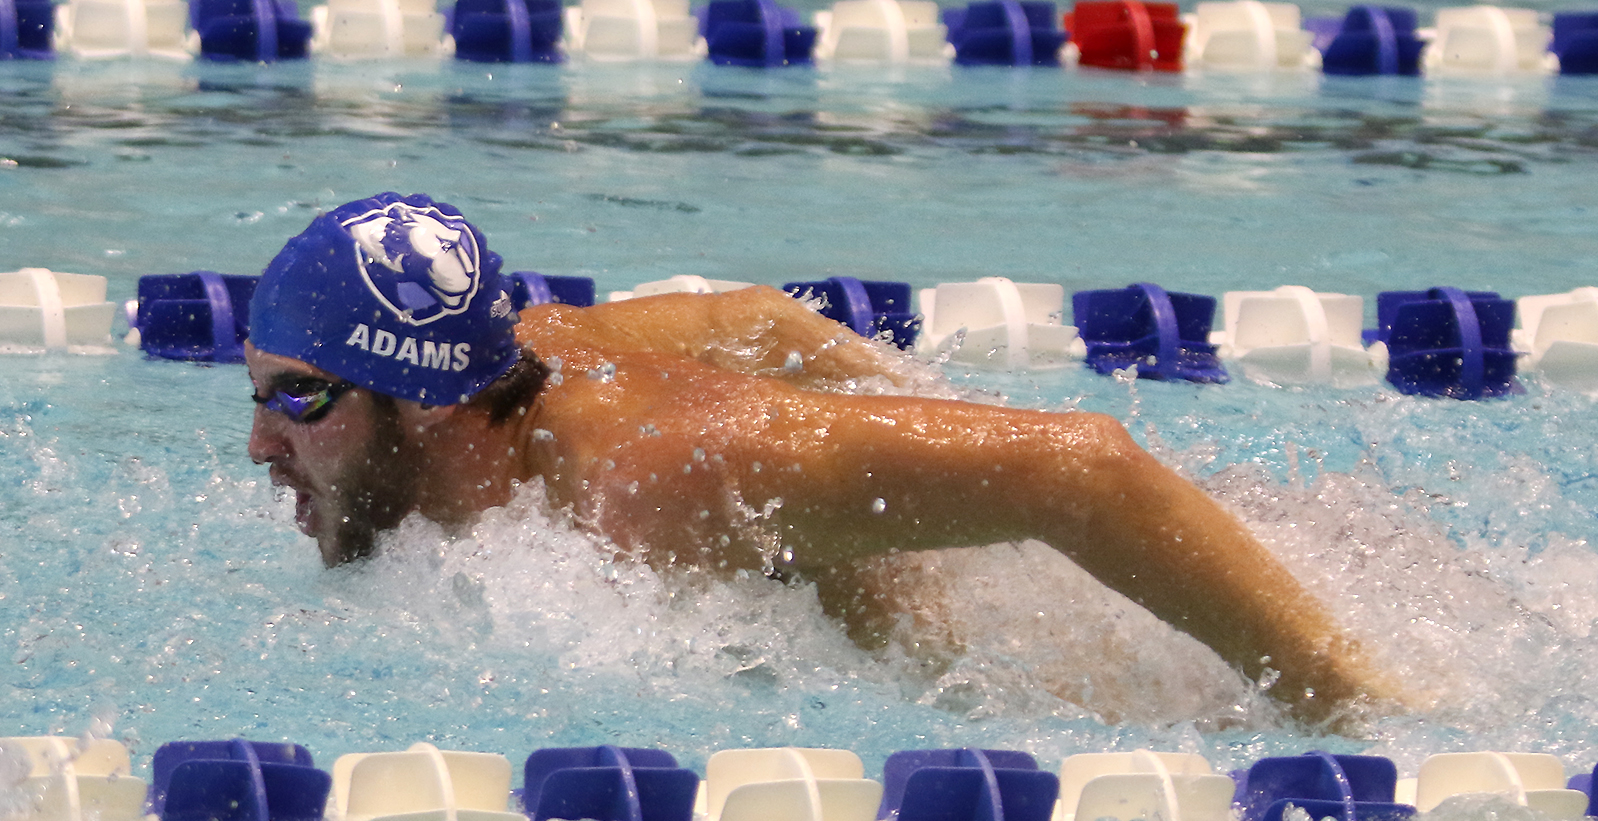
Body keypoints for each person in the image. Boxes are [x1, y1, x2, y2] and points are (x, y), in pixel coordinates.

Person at [245, 192, 1400, 725]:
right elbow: (747, 317)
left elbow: (1086, 468)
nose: (261, 444)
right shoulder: (519, 353)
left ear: (431, 404)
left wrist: (1349, 705)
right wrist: (909, 414)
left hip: (1080, 676)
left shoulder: (652, 476)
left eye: (299, 398)